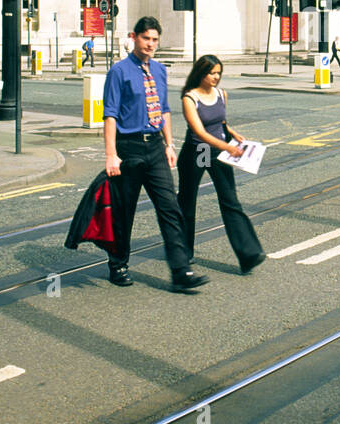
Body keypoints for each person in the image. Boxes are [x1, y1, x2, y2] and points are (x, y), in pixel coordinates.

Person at [103, 17, 206, 291]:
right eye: (146, 38)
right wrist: (111, 154)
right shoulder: (119, 71)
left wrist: (170, 144)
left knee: (170, 208)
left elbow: (164, 109)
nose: (150, 44)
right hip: (129, 148)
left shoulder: (160, 70)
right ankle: (118, 264)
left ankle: (181, 270)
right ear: (134, 37)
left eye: (155, 40)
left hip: (155, 148)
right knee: (124, 211)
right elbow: (110, 115)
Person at [177, 55, 267, 274]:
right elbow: (199, 131)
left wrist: (233, 135)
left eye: (219, 73)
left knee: (230, 200)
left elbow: (221, 122)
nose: (216, 77)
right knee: (187, 202)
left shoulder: (221, 94)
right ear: (201, 73)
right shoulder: (190, 98)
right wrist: (227, 147)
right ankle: (183, 253)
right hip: (198, 151)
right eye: (212, 73)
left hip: (219, 151)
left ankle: (248, 254)